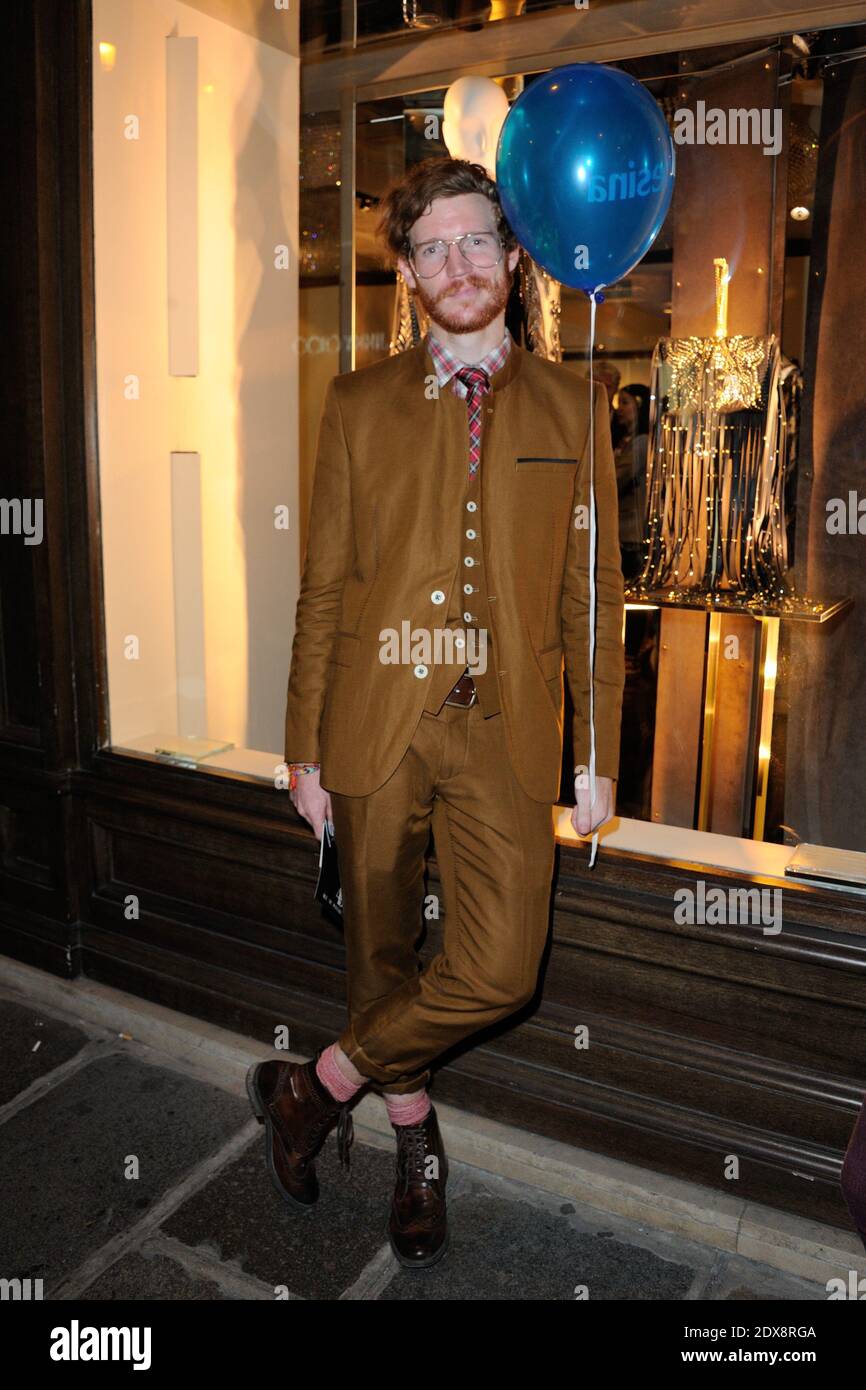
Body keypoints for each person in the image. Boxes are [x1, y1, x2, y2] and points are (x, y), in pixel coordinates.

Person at [247, 156, 625, 1271]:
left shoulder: (576, 402)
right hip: (374, 724)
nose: (455, 264)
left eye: (475, 241)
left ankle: (314, 1088)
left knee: (502, 966)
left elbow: (592, 597)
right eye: (430, 247)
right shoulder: (359, 403)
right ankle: (415, 1146)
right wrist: (302, 748)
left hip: (507, 728)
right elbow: (322, 587)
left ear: (512, 256)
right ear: (406, 273)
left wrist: (596, 751)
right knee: (377, 955)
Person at [612, 382, 650, 581]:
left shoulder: (642, 442)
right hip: (624, 531)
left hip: (631, 533)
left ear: (639, 406)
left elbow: (617, 478)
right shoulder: (625, 441)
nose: (619, 409)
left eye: (625, 403)